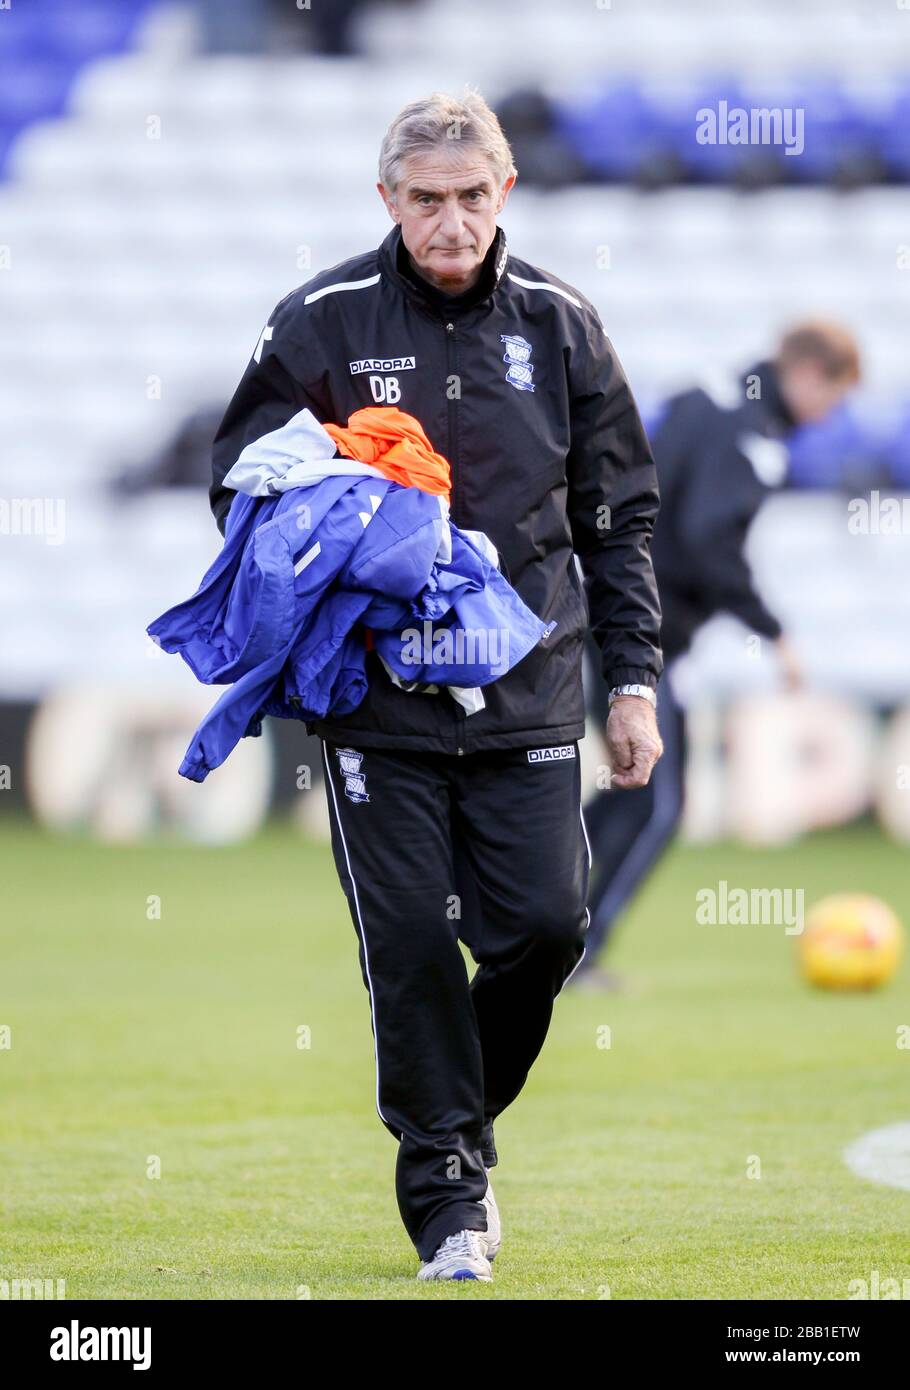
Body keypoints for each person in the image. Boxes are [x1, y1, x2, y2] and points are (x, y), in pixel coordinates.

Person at [208, 88, 663, 1280]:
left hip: (528, 688)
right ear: (387, 201)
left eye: (471, 197)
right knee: (410, 942)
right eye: (426, 201)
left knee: (547, 931)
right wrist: (337, 519)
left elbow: (618, 521)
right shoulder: (319, 320)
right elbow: (239, 486)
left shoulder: (564, 325)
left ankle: (453, 1118)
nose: (451, 221)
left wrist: (633, 683)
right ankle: (450, 1196)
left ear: (503, 191)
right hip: (375, 702)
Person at [571, 321, 862, 992]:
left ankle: (526, 915)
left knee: (625, 797)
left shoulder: (707, 398)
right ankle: (569, 952)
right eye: (835, 396)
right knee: (653, 803)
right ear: (812, 374)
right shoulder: (750, 434)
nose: (831, 415)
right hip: (635, 636)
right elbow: (707, 540)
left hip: (604, 614)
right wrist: (775, 631)